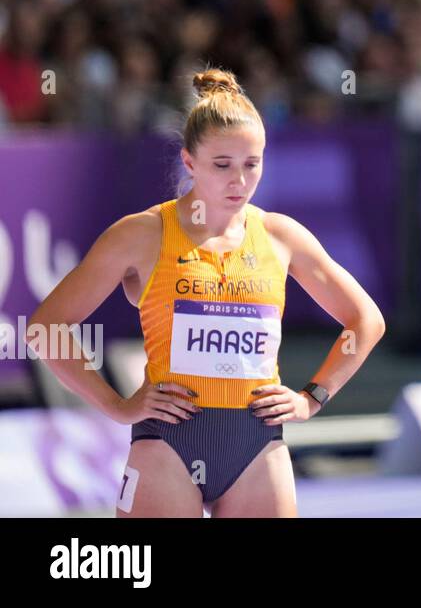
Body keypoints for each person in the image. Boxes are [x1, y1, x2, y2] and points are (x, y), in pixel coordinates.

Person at [26, 69, 386, 517]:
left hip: (256, 445)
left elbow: (367, 321)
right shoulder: (143, 234)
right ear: (189, 162)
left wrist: (312, 397)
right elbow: (45, 327)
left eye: (252, 164)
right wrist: (115, 406)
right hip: (167, 444)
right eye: (222, 165)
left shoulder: (281, 236)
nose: (239, 181)